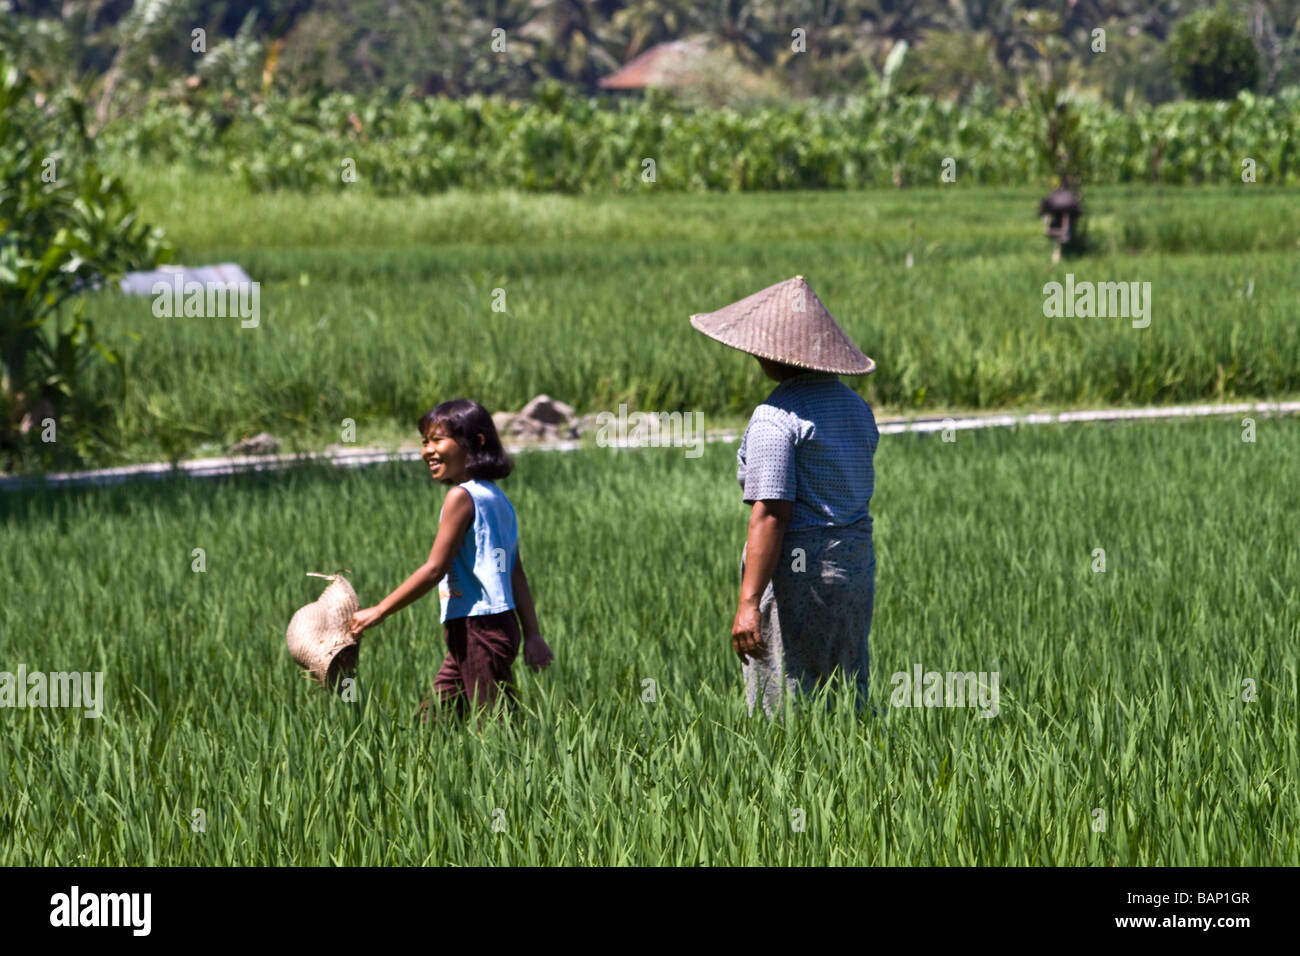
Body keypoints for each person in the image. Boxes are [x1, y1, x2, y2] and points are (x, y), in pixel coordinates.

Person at [689, 276, 879, 718]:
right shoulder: (856, 408)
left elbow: (771, 513)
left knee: (786, 703)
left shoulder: (775, 418)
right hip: (854, 567)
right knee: (846, 693)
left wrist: (749, 603)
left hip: (801, 574)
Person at [348, 398, 553, 723]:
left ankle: (529, 770)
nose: (427, 450)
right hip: (485, 626)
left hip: (478, 627)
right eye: (424, 442)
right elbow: (515, 571)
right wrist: (532, 634)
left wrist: (379, 611)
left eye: (437, 439)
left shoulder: (462, 497)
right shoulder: (497, 498)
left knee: (497, 729)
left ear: (476, 441)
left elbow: (434, 569)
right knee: (433, 721)